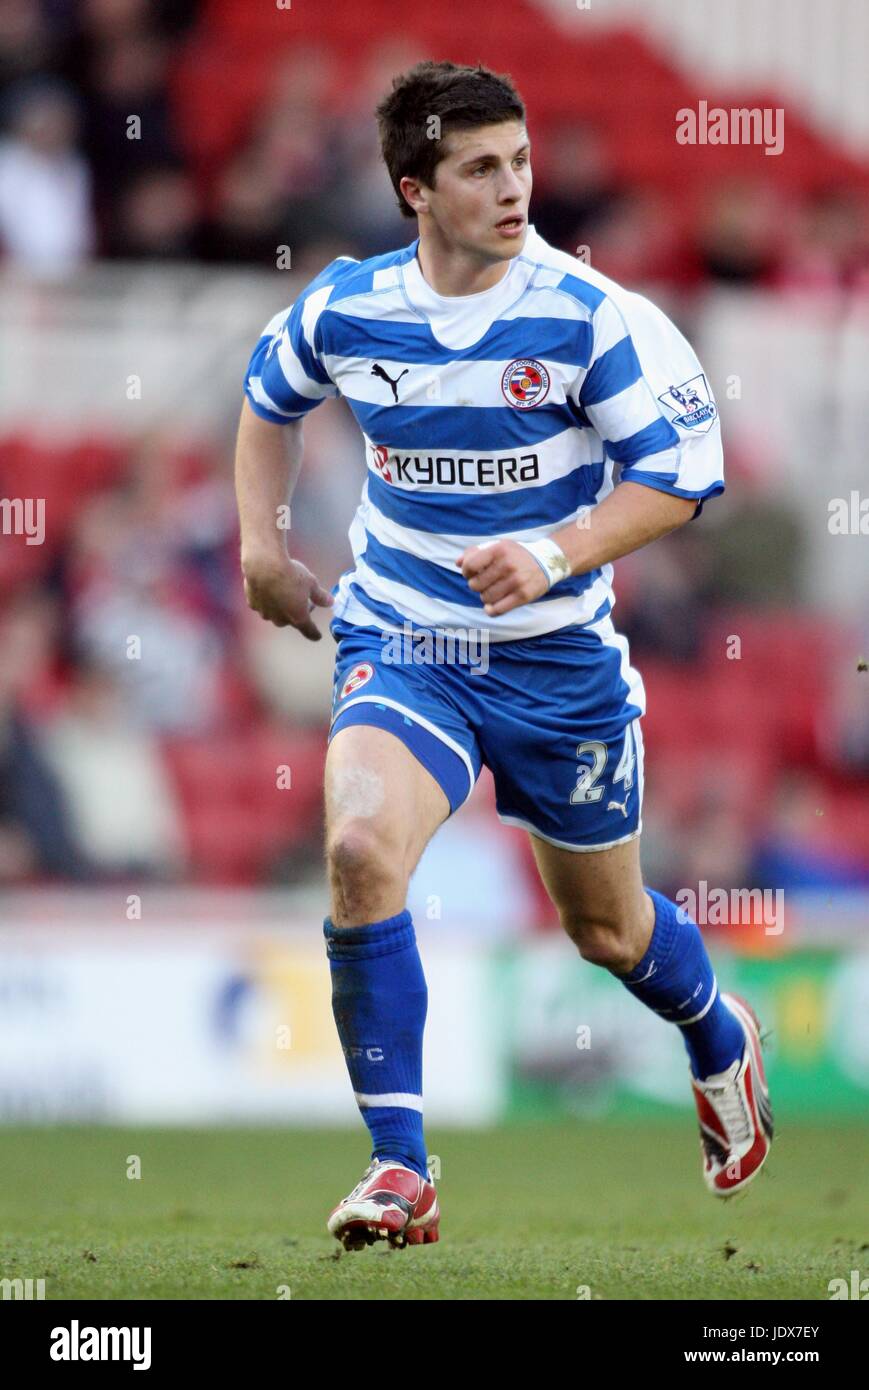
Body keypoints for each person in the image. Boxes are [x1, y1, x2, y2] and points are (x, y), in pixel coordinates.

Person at [234, 61, 773, 1251]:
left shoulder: (593, 316)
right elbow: (266, 398)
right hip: (404, 640)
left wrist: (556, 551)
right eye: (480, 168)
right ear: (413, 189)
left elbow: (680, 480)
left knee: (605, 932)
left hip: (555, 664)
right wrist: (263, 550)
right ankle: (399, 1168)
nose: (514, 186)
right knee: (360, 849)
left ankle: (717, 1035)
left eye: (520, 160)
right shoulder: (344, 307)